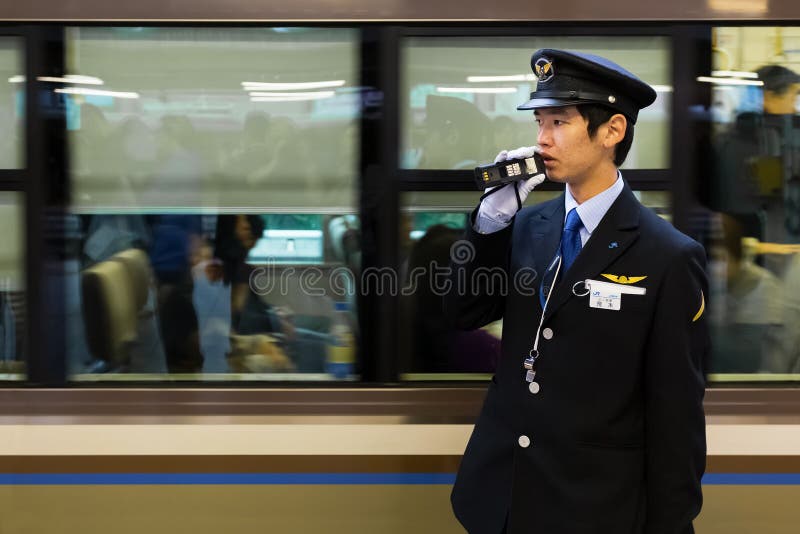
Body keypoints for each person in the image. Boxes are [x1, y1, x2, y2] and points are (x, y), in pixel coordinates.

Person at [444, 49, 709, 533]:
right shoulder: (526, 226)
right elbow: (465, 311)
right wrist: (489, 223)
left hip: (594, 506)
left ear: (612, 131)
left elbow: (676, 416)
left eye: (559, 122)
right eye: (540, 122)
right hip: (502, 498)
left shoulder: (668, 256)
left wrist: (670, 523)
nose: (542, 139)